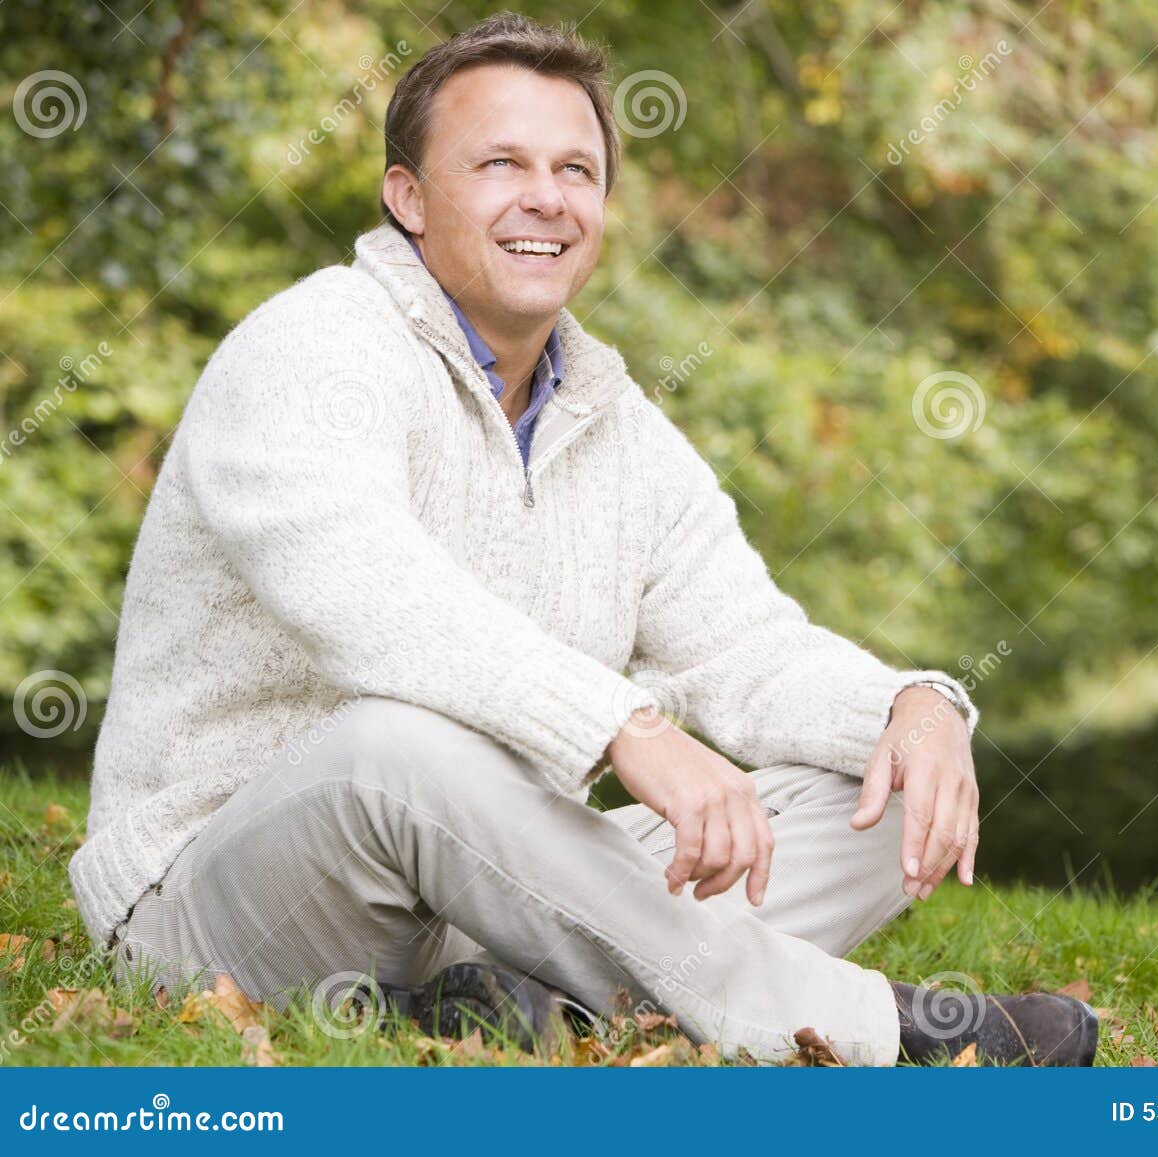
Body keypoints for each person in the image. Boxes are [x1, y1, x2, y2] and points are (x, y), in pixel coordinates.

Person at [71, 12, 1095, 1068]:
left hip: (483, 906)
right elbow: (362, 587)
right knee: (394, 743)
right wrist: (626, 728)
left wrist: (912, 705)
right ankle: (886, 1027)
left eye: (575, 168)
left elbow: (741, 646)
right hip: (220, 901)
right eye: (500, 163)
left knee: (877, 791)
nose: (547, 198)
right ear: (408, 197)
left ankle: (515, 997)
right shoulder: (311, 345)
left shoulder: (617, 425)